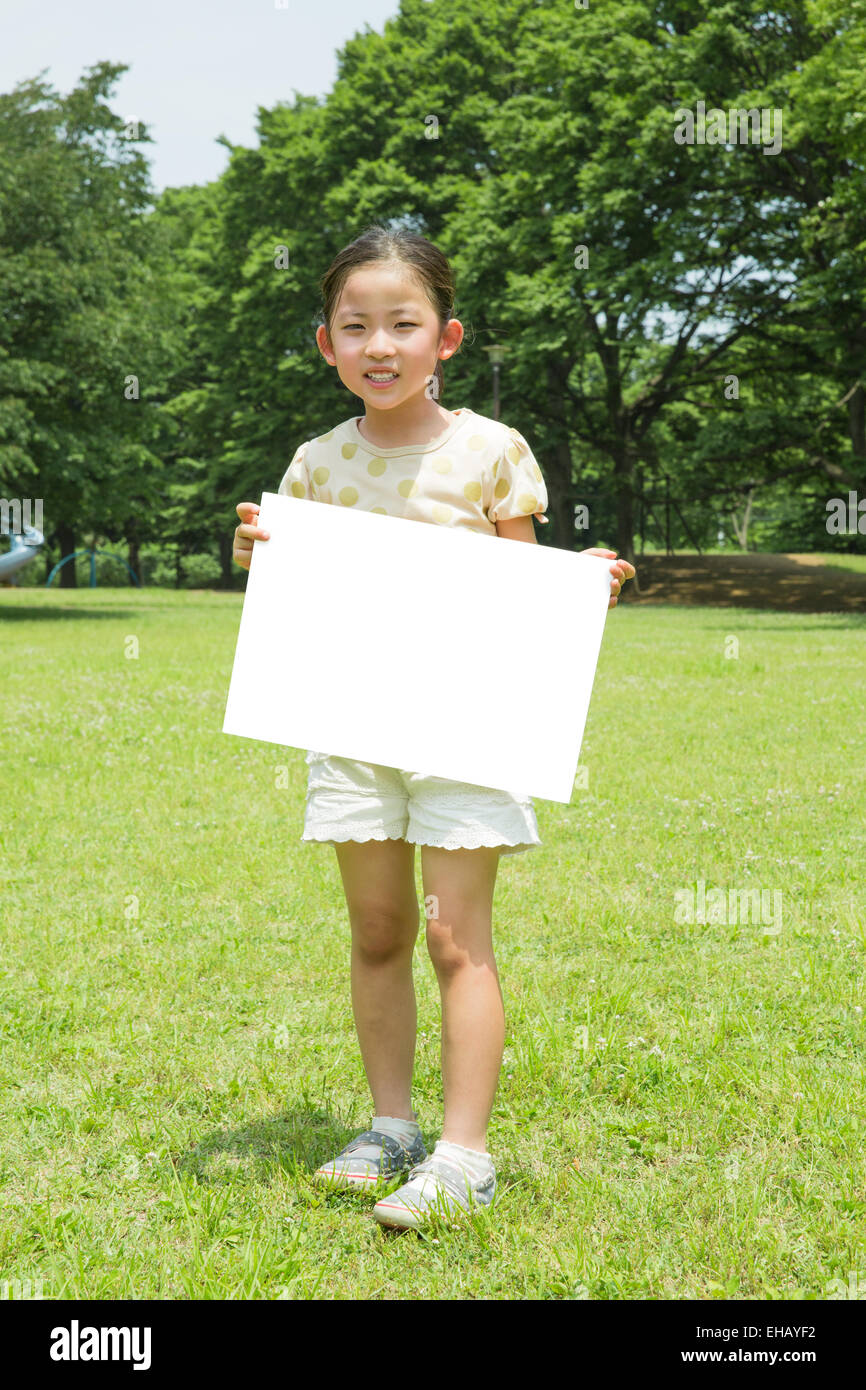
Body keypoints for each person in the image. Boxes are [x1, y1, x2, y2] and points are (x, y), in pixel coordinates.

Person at [233, 224, 634, 1232]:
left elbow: (525, 580)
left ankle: (463, 1154)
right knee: (377, 931)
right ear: (324, 343)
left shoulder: (491, 451)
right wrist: (258, 559)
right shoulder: (315, 463)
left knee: (456, 938)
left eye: (401, 324)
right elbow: (294, 594)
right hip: (355, 723)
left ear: (443, 337)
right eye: (354, 325)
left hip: (469, 724)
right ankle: (390, 1126)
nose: (379, 344)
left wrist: (581, 583)